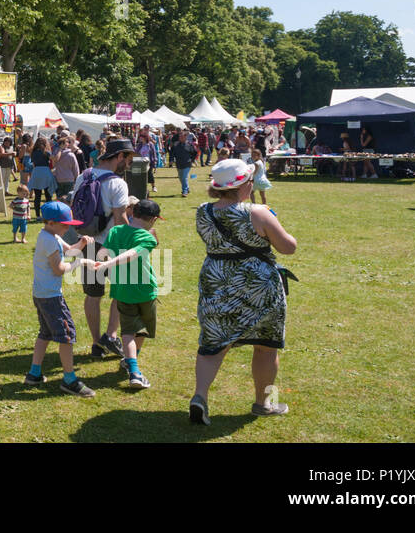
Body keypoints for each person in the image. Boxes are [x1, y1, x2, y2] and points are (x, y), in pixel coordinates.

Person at [190, 158, 297, 425]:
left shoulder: (203, 211)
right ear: (245, 184)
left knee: (213, 345)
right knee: (266, 347)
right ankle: (265, 404)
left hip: (216, 281)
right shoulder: (258, 212)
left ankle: (199, 397)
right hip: (258, 287)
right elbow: (288, 247)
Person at [68, 137, 135, 359]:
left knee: (93, 296)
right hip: (111, 246)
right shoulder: (118, 183)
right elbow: (120, 217)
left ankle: (97, 343)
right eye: (128, 157)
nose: (129, 162)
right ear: (119, 157)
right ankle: (111, 335)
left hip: (86, 243)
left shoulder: (83, 176)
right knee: (123, 291)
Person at [24, 201, 98, 397]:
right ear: (50, 222)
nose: (68, 228)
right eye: (65, 224)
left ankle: (34, 374)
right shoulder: (48, 240)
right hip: (51, 296)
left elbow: (69, 251)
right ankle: (69, 379)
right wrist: (79, 263)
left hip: (41, 294)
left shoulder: (51, 235)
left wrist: (81, 245)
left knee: (45, 333)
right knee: (67, 335)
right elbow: (58, 269)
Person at [96, 197, 164, 389]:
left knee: (128, 332)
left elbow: (103, 253)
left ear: (132, 213)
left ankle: (130, 363)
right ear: (154, 220)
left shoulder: (115, 230)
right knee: (140, 331)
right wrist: (109, 262)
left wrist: (105, 262)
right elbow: (133, 254)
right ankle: (134, 371)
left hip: (122, 290)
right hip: (144, 291)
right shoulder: (148, 237)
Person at [29, 136, 58, 202]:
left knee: (37, 196)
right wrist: (59, 151)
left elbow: (33, 164)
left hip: (36, 172)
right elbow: (54, 159)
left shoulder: (33, 152)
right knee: (48, 196)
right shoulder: (47, 152)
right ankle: (48, 211)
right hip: (45, 172)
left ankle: (37, 212)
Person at [170, 132, 196, 197]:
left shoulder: (189, 144)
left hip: (187, 163)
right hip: (179, 163)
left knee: (184, 177)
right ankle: (187, 188)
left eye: (182, 137)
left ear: (185, 137)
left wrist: (192, 160)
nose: (180, 138)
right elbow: (172, 153)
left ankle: (184, 191)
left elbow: (194, 152)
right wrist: (171, 160)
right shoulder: (176, 145)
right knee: (181, 177)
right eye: (180, 137)